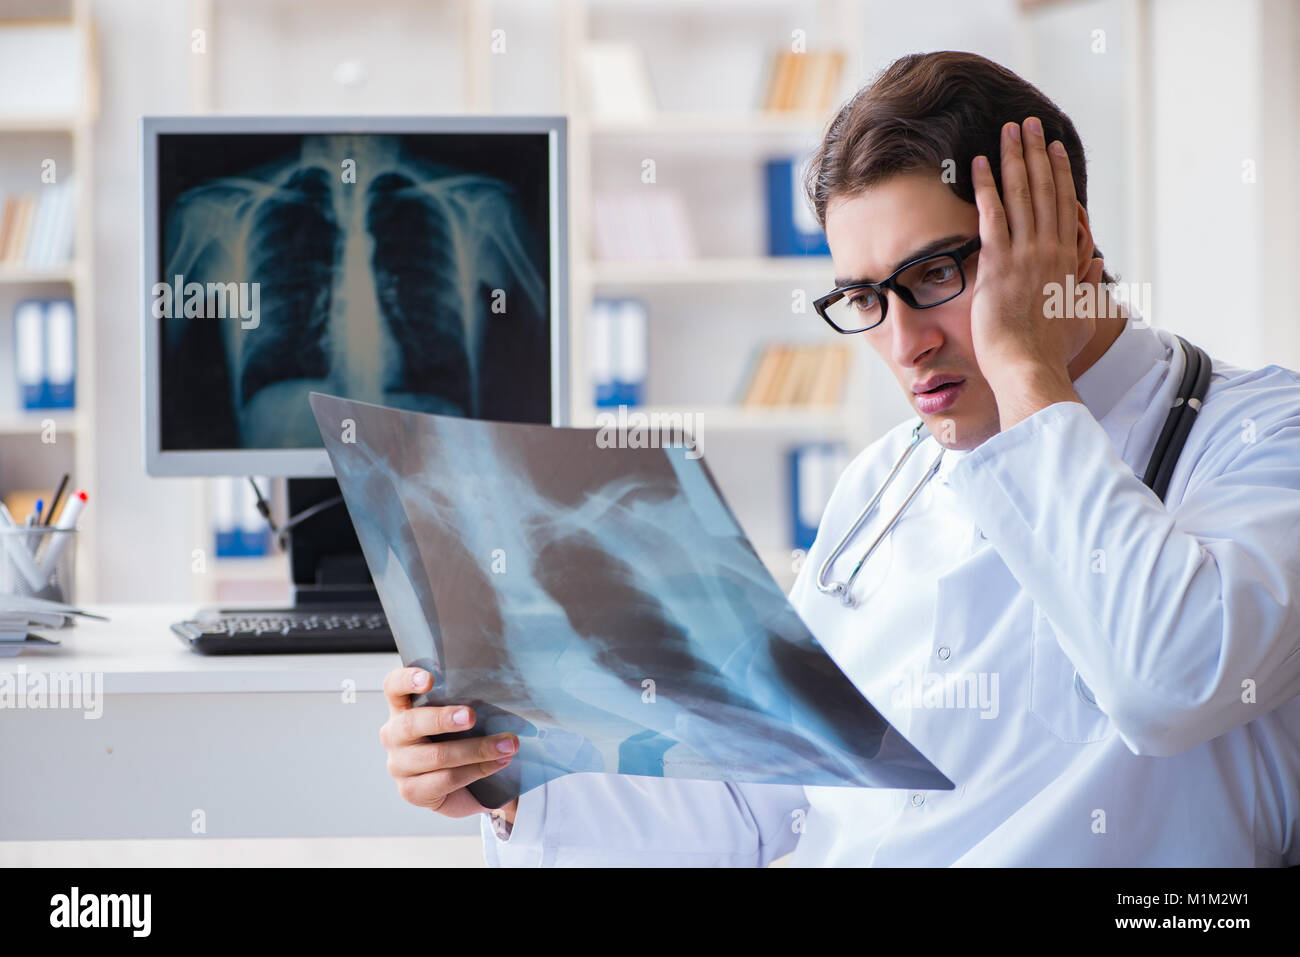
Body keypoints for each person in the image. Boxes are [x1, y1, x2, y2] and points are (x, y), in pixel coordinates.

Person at [378, 51, 1300, 866]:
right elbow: (756, 799)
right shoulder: (881, 483)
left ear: (1066, 238)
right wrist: (503, 779)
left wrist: (1025, 360)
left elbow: (1168, 682)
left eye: (936, 275)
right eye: (864, 297)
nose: (903, 342)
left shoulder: (1255, 434)